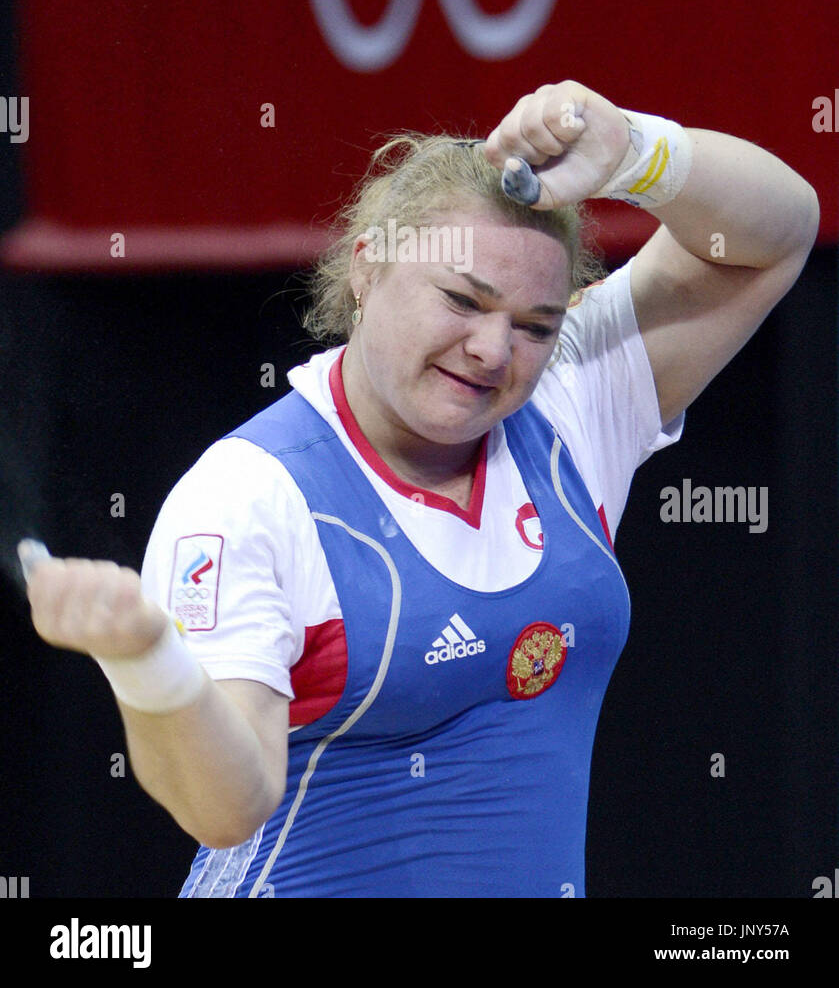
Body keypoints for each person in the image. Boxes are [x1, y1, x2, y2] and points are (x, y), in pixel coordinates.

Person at [21, 79, 819, 898]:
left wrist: (636, 155)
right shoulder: (248, 497)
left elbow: (777, 231)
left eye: (534, 325)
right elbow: (225, 812)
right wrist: (147, 665)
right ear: (368, 268)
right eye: (460, 301)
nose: (490, 350)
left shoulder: (568, 402)